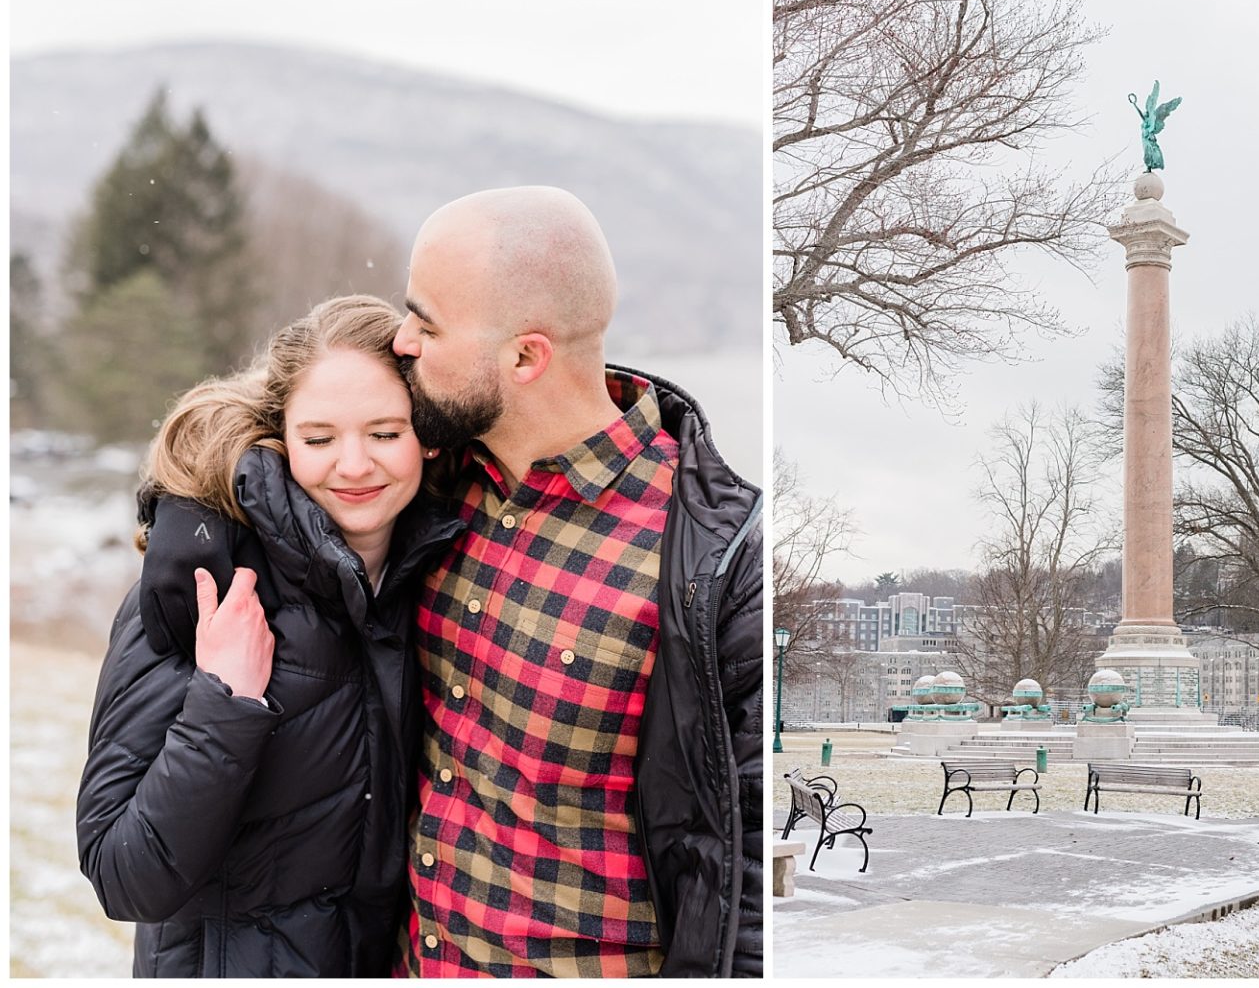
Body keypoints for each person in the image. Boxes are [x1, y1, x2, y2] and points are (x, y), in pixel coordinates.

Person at [390, 187, 763, 978]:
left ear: (525, 357)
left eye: (427, 323)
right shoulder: (427, 481)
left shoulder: (713, 559)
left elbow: (746, 876)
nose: (401, 340)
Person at [77, 295, 466, 977]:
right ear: (279, 433)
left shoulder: (438, 570)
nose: (353, 465)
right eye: (319, 438)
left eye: (384, 433)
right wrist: (223, 703)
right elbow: (123, 873)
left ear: (428, 435)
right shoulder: (207, 581)